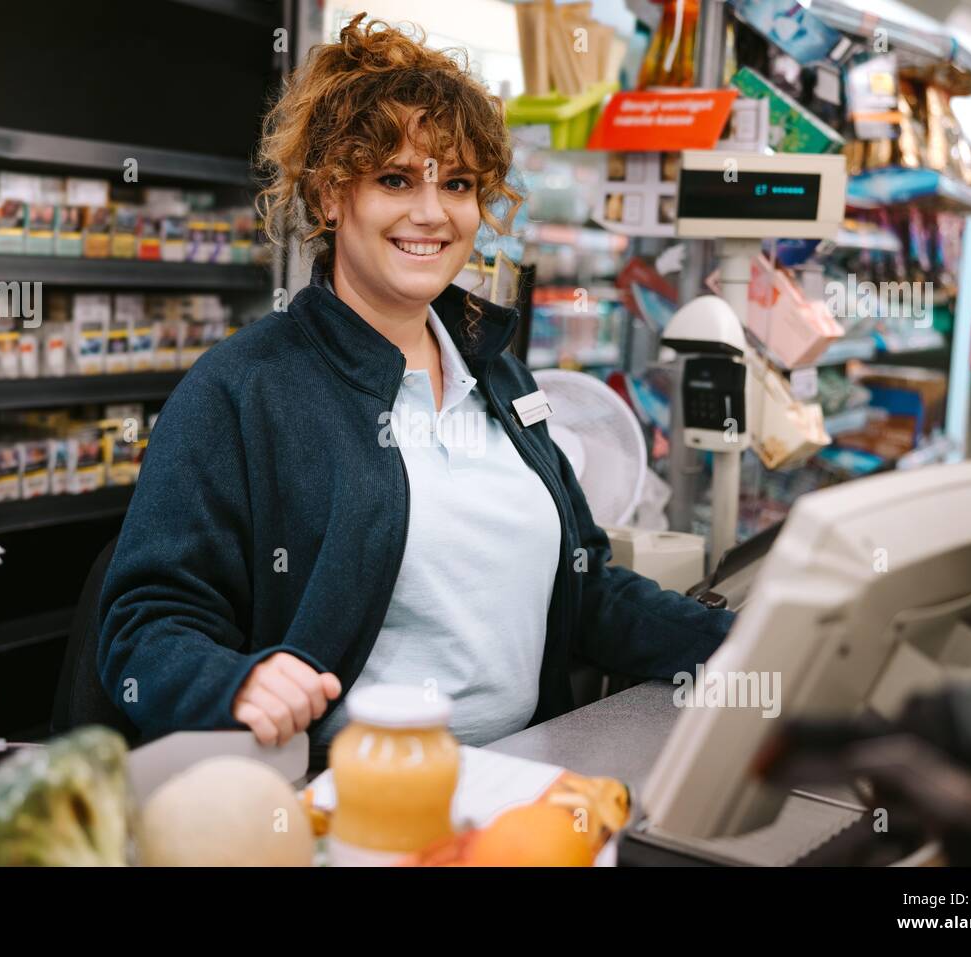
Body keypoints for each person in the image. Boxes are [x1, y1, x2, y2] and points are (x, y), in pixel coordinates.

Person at [98, 15, 735, 766]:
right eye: (396, 179)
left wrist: (742, 649)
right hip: (347, 803)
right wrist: (238, 682)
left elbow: (584, 587)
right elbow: (143, 626)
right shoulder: (243, 390)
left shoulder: (499, 373)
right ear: (332, 196)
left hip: (522, 780)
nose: (433, 213)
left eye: (459, 184)